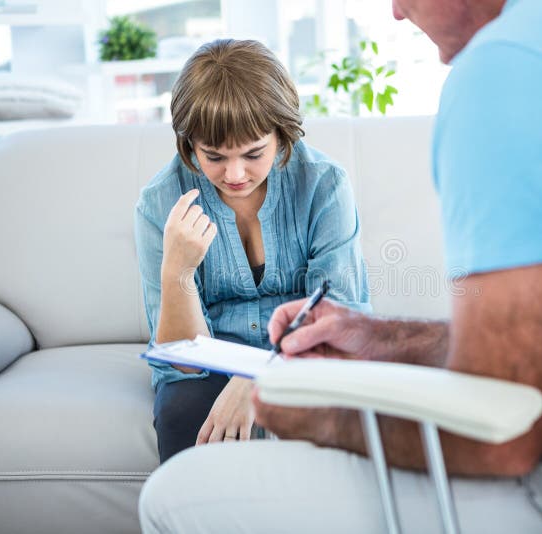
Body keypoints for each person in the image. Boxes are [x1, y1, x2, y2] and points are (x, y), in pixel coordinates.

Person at [138, 1, 542, 532]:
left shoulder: (505, 70)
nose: (396, 10)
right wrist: (381, 337)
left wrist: (318, 419)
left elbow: (506, 430)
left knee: (168, 499)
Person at [134, 38, 370, 464]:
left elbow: (340, 317)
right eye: (214, 156)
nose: (235, 174)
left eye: (254, 153)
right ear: (190, 144)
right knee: (181, 412)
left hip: (306, 356)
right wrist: (178, 273)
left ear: (282, 134)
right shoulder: (160, 202)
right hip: (210, 367)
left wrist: (260, 373)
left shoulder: (324, 185)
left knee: (340, 408)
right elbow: (181, 362)